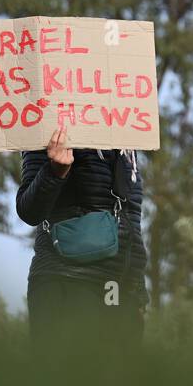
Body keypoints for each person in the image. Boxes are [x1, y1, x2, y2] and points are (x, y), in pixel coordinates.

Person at [16, 122, 148, 354]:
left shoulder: (127, 135)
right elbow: (29, 210)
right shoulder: (49, 126)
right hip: (67, 285)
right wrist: (55, 171)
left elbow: (131, 222)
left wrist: (136, 292)